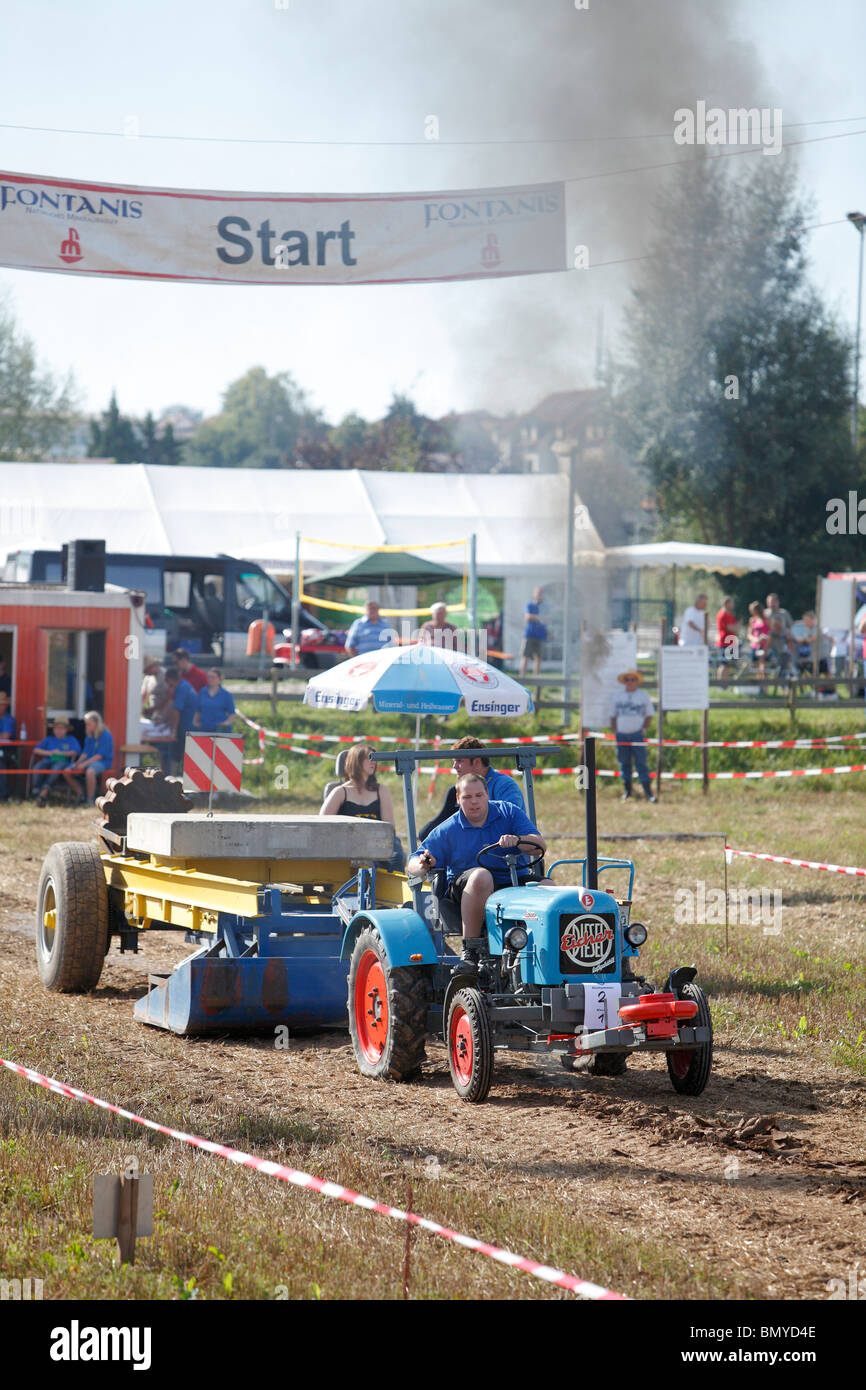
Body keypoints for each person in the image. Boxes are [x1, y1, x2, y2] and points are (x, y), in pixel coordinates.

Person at [407, 772, 547, 968]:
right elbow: (412, 862)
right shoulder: (448, 829)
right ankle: (470, 951)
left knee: (549, 887)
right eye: (467, 797)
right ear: (458, 799)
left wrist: (519, 840)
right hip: (467, 888)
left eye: (479, 796)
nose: (474, 802)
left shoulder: (508, 812)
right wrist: (422, 864)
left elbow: (540, 845)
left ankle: (546, 952)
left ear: (487, 794)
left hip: (512, 881)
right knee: (481, 875)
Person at [418, 734, 525, 839]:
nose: (454, 766)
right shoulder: (455, 791)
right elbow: (430, 831)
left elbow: (511, 819)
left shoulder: (505, 785)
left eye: (459, 761)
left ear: (477, 762)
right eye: (454, 761)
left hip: (505, 853)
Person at [320, 742, 402, 868]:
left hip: (376, 841)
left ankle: (396, 885)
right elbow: (322, 825)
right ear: (356, 761)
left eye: (375, 759)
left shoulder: (382, 790)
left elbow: (390, 828)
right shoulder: (340, 792)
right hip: (349, 843)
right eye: (369, 758)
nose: (373, 762)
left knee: (396, 854)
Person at [609, 670, 656, 802]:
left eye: (633, 679)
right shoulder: (617, 696)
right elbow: (612, 715)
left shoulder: (643, 696)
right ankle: (628, 792)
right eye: (627, 680)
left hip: (637, 735)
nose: (630, 682)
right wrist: (615, 730)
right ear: (624, 682)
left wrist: (644, 729)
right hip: (622, 735)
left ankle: (648, 793)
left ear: (637, 682)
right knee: (624, 763)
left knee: (641, 763)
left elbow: (649, 714)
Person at [63, 711, 113, 805]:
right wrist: (78, 763)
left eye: (89, 724)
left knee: (90, 771)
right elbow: (85, 753)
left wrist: (83, 764)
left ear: (96, 723)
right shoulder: (89, 736)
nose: (87, 726)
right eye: (86, 724)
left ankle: (90, 799)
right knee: (67, 771)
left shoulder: (105, 735)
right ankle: (80, 794)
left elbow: (99, 756)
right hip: (88, 761)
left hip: (103, 762)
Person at [32, 716, 81, 806]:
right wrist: (50, 752)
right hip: (48, 760)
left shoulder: (71, 740)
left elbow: (76, 752)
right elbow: (36, 750)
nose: (59, 731)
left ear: (66, 730)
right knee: (38, 766)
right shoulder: (49, 739)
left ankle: (44, 793)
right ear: (53, 729)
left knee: (56, 768)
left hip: (63, 761)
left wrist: (62, 753)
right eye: (57, 729)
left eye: (61, 729)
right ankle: (36, 790)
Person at [164, 667, 198, 774]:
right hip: (190, 724)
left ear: (170, 679)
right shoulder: (184, 685)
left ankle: (170, 778)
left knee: (175, 753)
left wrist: (173, 731)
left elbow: (177, 711)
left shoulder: (181, 688)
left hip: (186, 726)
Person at [194, 668, 236, 732]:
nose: (210, 679)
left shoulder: (226, 695)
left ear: (219, 679)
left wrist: (226, 723)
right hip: (204, 728)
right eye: (209, 677)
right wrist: (195, 721)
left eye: (213, 677)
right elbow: (198, 710)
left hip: (220, 729)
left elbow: (232, 713)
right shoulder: (202, 692)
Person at [518, 587, 546, 676]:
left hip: (541, 636)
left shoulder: (545, 607)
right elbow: (527, 617)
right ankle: (522, 678)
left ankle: (536, 679)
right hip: (529, 635)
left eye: (541, 593)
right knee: (525, 656)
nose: (539, 595)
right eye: (538, 593)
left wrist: (536, 617)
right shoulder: (530, 605)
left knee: (538, 658)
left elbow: (547, 618)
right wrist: (539, 617)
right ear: (534, 594)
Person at [747, 601, 769, 677]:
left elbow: (771, 632)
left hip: (764, 646)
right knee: (757, 666)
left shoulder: (767, 620)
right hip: (755, 645)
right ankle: (760, 684)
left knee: (763, 665)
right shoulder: (752, 620)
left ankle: (764, 685)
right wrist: (756, 640)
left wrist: (766, 638)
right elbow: (749, 634)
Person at [0, 691, 15, 799]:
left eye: (1, 704)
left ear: (5, 706)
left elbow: (5, 736)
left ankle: (3, 793)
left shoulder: (8, 719)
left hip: (6, 750)